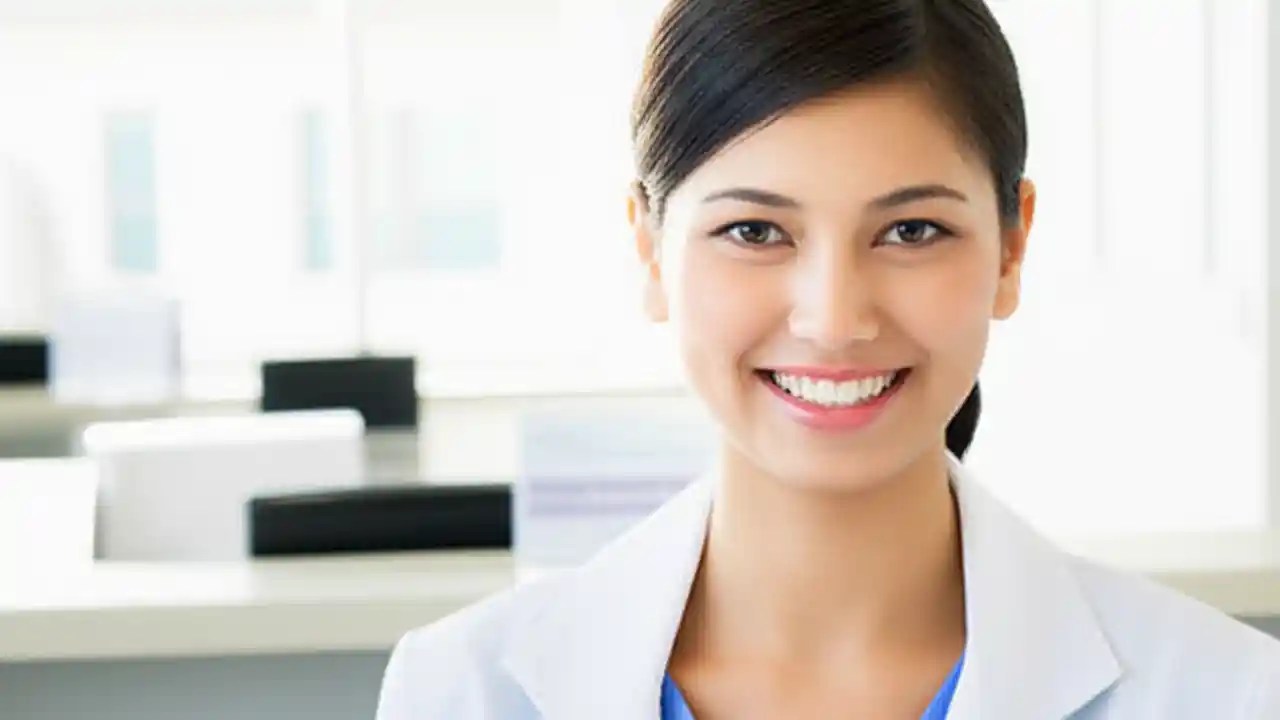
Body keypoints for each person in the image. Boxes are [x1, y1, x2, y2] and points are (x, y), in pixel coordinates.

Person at [376, 1, 1280, 717]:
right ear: (651, 251)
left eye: (911, 230)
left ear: (1012, 247)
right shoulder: (463, 693)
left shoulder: (1223, 695)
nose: (835, 319)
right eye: (755, 230)